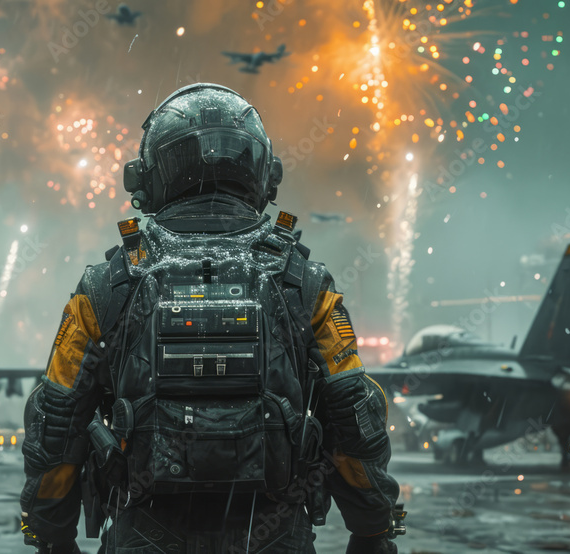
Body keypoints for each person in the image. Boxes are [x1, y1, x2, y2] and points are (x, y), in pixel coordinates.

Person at [20, 83, 400, 553]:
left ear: (148, 175)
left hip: (143, 534)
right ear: (264, 172)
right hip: (273, 536)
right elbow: (353, 416)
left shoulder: (106, 286)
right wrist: (372, 529)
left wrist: (53, 538)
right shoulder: (306, 283)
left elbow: (55, 421)